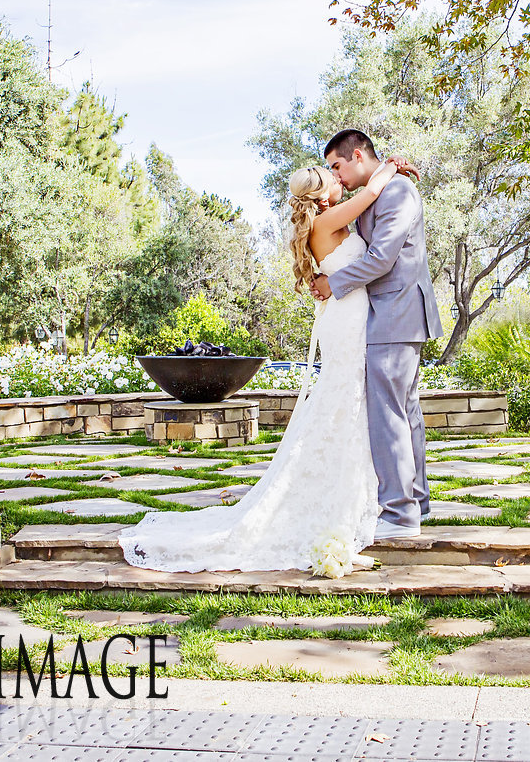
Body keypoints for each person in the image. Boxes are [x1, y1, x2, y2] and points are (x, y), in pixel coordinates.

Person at [116, 154, 407, 575]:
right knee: (344, 401)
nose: (339, 178)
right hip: (346, 320)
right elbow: (374, 190)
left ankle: (351, 492)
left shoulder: (328, 220)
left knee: (347, 402)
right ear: (321, 194)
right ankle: (336, 499)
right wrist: (391, 165)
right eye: (331, 176)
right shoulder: (328, 221)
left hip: (350, 315)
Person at [312, 129, 443, 540]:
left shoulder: (398, 192)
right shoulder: (378, 189)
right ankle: (416, 504)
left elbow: (382, 257)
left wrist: (334, 283)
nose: (336, 175)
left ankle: (400, 516)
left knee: (389, 414)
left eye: (337, 166)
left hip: (397, 312)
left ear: (356, 155)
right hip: (390, 314)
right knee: (405, 411)